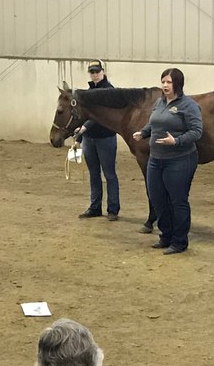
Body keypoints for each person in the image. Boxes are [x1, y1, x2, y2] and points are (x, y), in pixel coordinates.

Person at [132, 67, 203, 254]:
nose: (165, 85)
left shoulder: (189, 105)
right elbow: (154, 122)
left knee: (178, 201)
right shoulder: (159, 102)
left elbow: (197, 131)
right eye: (163, 81)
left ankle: (180, 242)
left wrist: (176, 141)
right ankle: (166, 236)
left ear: (178, 84)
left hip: (180, 159)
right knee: (157, 198)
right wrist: (144, 132)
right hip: (156, 159)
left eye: (169, 82)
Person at [74, 59, 120, 221]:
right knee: (94, 174)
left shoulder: (109, 91)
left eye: (96, 71)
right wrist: (79, 134)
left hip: (105, 137)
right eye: (92, 72)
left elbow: (100, 114)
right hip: (90, 139)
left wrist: (84, 128)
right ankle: (95, 207)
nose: (94, 75)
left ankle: (113, 209)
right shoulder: (89, 92)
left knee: (109, 174)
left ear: (103, 72)